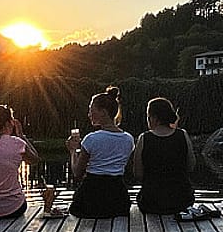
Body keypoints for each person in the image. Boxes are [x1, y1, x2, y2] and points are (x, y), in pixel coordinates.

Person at [66, 86, 134, 218]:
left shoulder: (92, 139)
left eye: (92, 110)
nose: (89, 114)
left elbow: (77, 173)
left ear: (103, 112)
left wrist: (73, 151)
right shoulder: (129, 139)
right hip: (118, 198)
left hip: (91, 198)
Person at [129, 97, 196, 214]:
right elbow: (190, 166)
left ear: (154, 117)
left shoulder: (144, 138)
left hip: (151, 202)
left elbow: (138, 174)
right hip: (182, 200)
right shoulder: (183, 135)